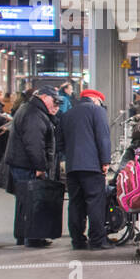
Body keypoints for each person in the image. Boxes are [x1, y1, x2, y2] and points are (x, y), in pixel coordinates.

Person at [4, 86, 60, 247]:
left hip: (21, 164)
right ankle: (32, 237)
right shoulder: (34, 115)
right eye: (53, 101)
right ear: (44, 97)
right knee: (33, 202)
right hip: (27, 166)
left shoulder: (31, 110)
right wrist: (40, 168)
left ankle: (24, 235)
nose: (55, 106)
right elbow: (34, 144)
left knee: (24, 202)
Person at [61, 89, 112, 250]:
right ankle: (97, 240)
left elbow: (60, 141)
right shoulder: (97, 111)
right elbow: (103, 137)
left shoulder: (68, 114)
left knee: (75, 204)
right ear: (96, 99)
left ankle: (77, 240)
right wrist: (105, 161)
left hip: (72, 166)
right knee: (95, 203)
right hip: (92, 166)